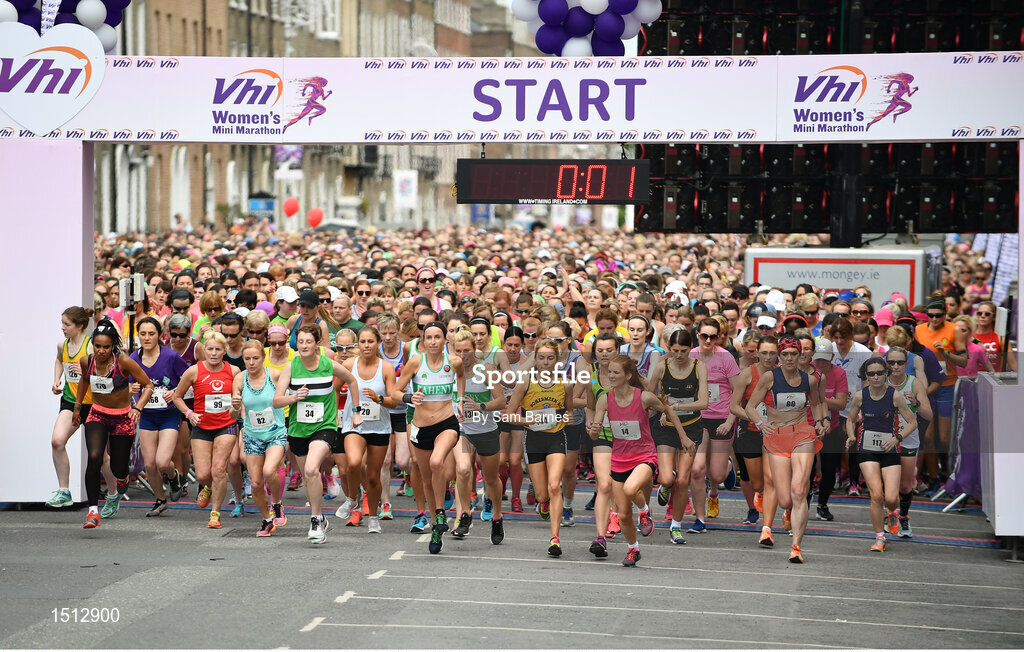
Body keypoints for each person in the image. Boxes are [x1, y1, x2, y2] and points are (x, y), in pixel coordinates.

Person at [590, 354, 690, 566]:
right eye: (610, 372)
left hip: (644, 455)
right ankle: (633, 549)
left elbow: (668, 410)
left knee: (630, 489)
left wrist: (683, 437)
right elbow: (594, 434)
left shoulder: (644, 397)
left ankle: (644, 511)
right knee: (624, 514)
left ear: (628, 375)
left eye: (616, 372)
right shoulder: (604, 399)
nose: (611, 376)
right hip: (619, 459)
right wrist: (594, 429)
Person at [273, 325, 362, 544]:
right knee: (308, 477)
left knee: (312, 468)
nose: (304, 346)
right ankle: (320, 517)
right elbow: (276, 400)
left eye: (308, 342)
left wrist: (356, 411)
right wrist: (294, 397)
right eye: (300, 342)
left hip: (325, 426)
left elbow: (352, 380)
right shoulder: (291, 367)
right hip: (298, 429)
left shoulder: (328, 364)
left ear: (317, 344)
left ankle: (314, 521)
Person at [744, 335, 827, 563]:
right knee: (785, 500)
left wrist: (821, 421)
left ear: (800, 355)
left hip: (802, 434)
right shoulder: (769, 378)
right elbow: (750, 406)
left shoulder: (809, 380)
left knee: (799, 490)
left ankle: (796, 547)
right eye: (785, 354)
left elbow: (817, 403)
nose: (789, 358)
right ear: (779, 356)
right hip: (777, 436)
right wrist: (760, 423)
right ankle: (788, 511)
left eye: (794, 354)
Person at [390, 322, 465, 554]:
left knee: (436, 462)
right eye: (429, 337)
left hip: (447, 423)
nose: (433, 341)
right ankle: (436, 525)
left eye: (437, 337)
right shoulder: (415, 362)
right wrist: (409, 398)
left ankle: (440, 512)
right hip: (421, 427)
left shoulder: (454, 362)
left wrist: (460, 400)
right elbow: (394, 391)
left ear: (445, 340)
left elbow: (461, 377)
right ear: (423, 341)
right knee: (426, 479)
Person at [72, 320, 156, 528]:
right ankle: (93, 512)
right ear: (92, 344)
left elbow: (148, 385)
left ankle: (122, 479)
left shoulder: (123, 361)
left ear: (113, 346)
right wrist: (77, 407)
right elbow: (84, 380)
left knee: (119, 468)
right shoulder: (87, 361)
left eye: (106, 347)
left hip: (122, 418)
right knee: (94, 458)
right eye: (97, 346)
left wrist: (138, 408)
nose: (101, 351)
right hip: (97, 415)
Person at [507, 338, 573, 557]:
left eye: (550, 358)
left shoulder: (565, 384)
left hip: (556, 438)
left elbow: (569, 412)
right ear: (535, 359)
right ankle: (543, 503)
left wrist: (566, 418)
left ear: (558, 359)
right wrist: (528, 420)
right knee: (543, 494)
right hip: (534, 439)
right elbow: (509, 415)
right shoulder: (525, 383)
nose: (545, 362)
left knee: (555, 486)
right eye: (541, 358)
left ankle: (555, 538)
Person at [846, 357, 918, 552]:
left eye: (879, 373)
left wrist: (897, 438)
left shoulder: (895, 396)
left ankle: (893, 512)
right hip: (866, 449)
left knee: (891, 498)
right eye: (871, 374)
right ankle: (879, 537)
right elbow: (850, 419)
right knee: (876, 495)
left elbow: (912, 422)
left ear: (886, 374)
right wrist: (851, 436)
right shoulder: (860, 396)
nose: (876, 377)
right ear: (866, 376)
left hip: (889, 449)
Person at [47, 307, 116, 509]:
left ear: (80, 326)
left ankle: (113, 494)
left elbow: (108, 372)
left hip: (94, 404)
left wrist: (88, 370)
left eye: (67, 324)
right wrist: (57, 379)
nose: (63, 328)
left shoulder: (91, 347)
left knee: (102, 457)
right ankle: (64, 491)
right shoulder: (62, 344)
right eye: (62, 323)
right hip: (71, 401)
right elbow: (59, 359)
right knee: (57, 441)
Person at [171, 332, 239, 529]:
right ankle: (208, 487)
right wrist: (189, 413)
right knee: (202, 474)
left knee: (218, 469)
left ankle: (215, 513)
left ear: (225, 351)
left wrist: (237, 405)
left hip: (226, 425)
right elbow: (177, 397)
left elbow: (241, 396)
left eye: (218, 349)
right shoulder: (193, 371)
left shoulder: (234, 371)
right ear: (204, 350)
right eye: (210, 349)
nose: (214, 353)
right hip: (201, 426)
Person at [130, 316, 190, 516]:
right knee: (150, 464)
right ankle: (160, 500)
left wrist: (175, 392)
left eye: (151, 334)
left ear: (160, 335)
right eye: (143, 334)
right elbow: (126, 386)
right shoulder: (133, 358)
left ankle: (173, 477)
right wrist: (132, 389)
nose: (147, 338)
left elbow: (189, 379)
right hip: (147, 415)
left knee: (163, 462)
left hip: (168, 414)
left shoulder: (171, 356)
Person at [341, 326, 398, 535]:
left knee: (373, 477)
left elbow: (393, 401)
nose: (366, 345)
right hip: (354, 424)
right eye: (363, 342)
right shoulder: (349, 364)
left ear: (378, 343)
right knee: (353, 463)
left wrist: (379, 399)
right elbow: (335, 389)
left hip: (379, 427)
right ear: (358, 344)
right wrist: (336, 415)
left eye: (370, 341)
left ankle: (373, 517)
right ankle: (351, 499)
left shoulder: (386, 368)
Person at [451, 330, 506, 544]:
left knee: (491, 479)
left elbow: (501, 401)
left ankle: (497, 516)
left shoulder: (486, 370)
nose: (462, 355)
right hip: (462, 430)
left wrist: (481, 406)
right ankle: (465, 514)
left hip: (486, 429)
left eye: (467, 350)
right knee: (464, 469)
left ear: (475, 349)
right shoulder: (449, 370)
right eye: (458, 351)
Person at [688, 318, 741, 533]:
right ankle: (700, 519)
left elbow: (738, 391)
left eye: (713, 336)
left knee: (716, 475)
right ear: (698, 335)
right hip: (698, 419)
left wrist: (730, 421)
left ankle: (724, 472)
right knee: (697, 470)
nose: (708, 340)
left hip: (721, 419)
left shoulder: (726, 358)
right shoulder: (691, 356)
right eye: (704, 336)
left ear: (719, 337)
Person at [232, 340, 287, 536]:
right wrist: (235, 407)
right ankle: (267, 520)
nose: (251, 362)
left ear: (263, 358)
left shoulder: (275, 375)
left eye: (255, 358)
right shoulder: (240, 378)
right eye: (247, 359)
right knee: (255, 484)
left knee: (269, 470)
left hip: (275, 432)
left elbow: (286, 396)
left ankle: (277, 503)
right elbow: (232, 414)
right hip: (252, 435)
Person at [914, 295, 966, 493]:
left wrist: (946, 353)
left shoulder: (954, 330)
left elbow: (964, 362)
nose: (934, 319)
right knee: (927, 437)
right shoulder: (919, 330)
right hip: (927, 386)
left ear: (946, 314)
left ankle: (947, 473)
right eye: (931, 315)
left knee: (944, 438)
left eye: (939, 315)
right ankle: (934, 478)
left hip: (946, 387)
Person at [885, 346, 932, 538]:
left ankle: (903, 516)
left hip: (908, 439)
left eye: (900, 362)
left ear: (906, 364)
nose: (895, 366)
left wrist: (916, 403)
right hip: (885, 440)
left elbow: (928, 415)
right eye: (891, 362)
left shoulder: (914, 383)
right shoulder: (879, 381)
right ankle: (890, 514)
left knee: (904, 486)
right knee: (887, 484)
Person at [810, 339, 849, 522]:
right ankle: (803, 500)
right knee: (807, 469)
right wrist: (823, 400)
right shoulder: (807, 371)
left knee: (829, 468)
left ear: (832, 357)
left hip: (831, 427)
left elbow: (841, 404)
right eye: (818, 359)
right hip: (808, 427)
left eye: (825, 360)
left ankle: (822, 504)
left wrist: (817, 399)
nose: (821, 363)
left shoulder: (839, 373)